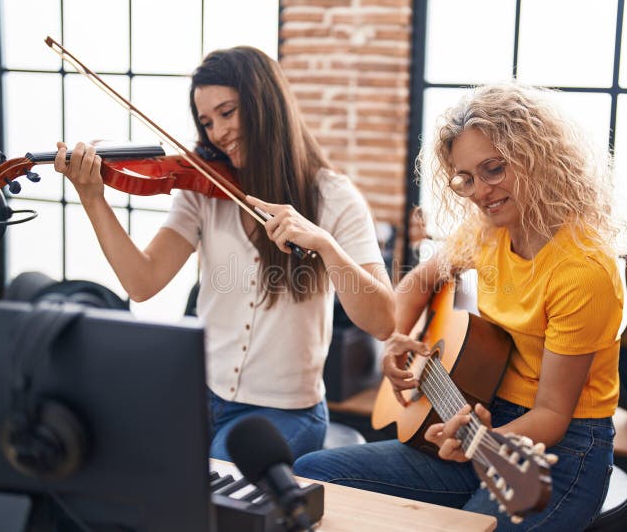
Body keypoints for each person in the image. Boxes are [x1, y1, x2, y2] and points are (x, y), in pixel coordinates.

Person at [293, 82, 627, 530]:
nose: (480, 191)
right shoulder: (486, 232)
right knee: (314, 475)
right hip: (480, 411)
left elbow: (551, 415)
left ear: (538, 156)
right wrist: (400, 339)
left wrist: (479, 441)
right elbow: (419, 282)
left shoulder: (583, 271)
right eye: (465, 178)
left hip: (560, 453)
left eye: (493, 169)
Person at [53, 46, 395, 460]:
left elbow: (383, 320)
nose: (216, 132)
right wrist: (93, 198)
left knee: (215, 500)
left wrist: (325, 244)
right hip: (198, 396)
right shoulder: (202, 189)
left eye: (227, 112)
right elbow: (141, 283)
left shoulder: (334, 197)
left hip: (284, 414)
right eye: (206, 122)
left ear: (265, 104)